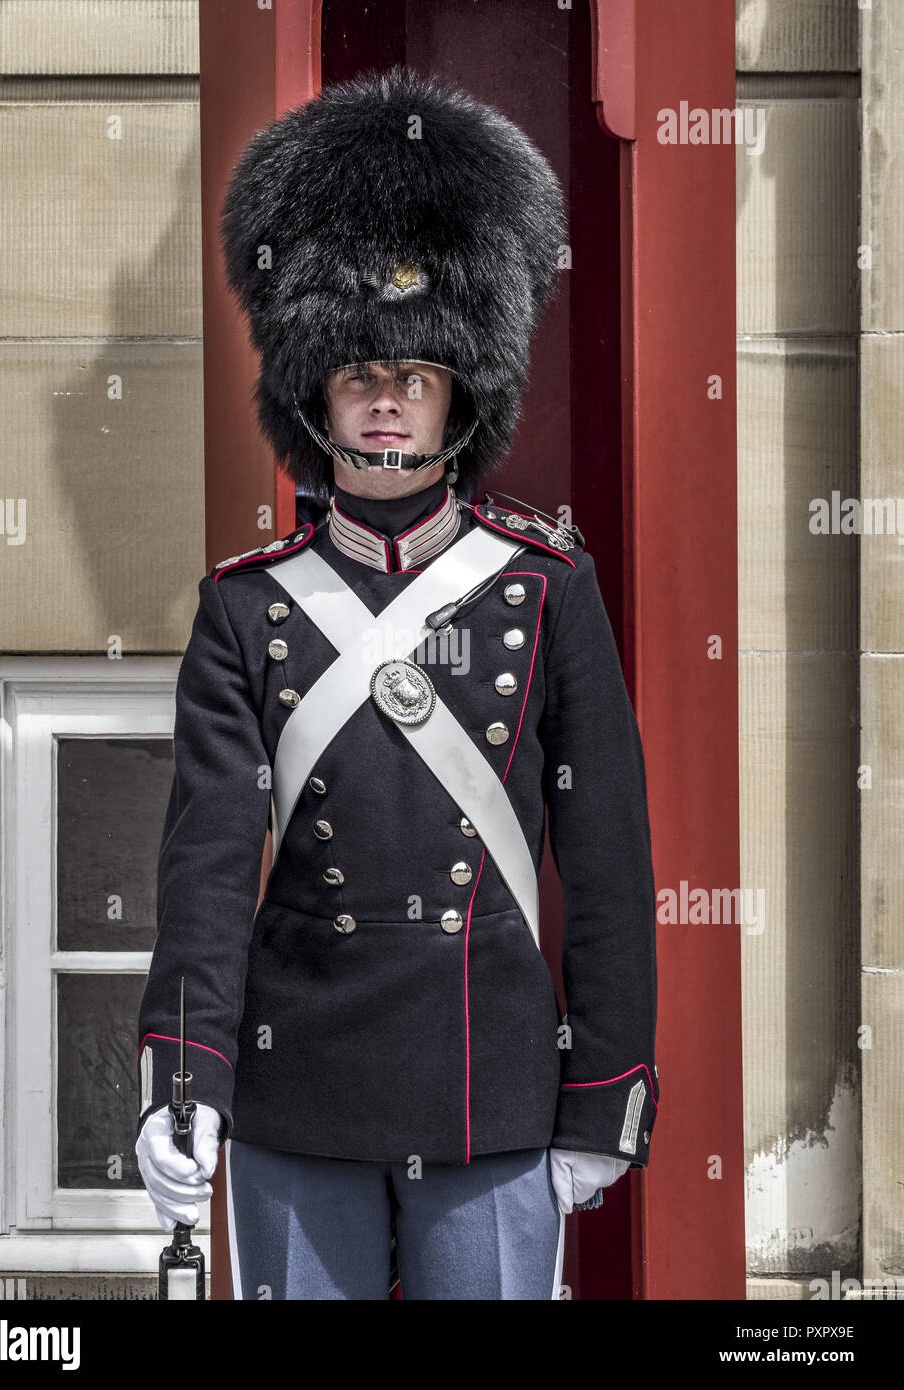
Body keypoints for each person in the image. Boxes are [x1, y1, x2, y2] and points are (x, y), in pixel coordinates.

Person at [134, 65, 658, 1301]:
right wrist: (185, 1079)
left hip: (490, 1092)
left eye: (414, 375)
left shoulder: (545, 586)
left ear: (457, 396)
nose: (384, 399)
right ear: (314, 389)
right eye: (360, 372)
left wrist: (604, 1094)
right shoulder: (247, 606)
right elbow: (207, 868)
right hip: (295, 1088)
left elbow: (610, 865)